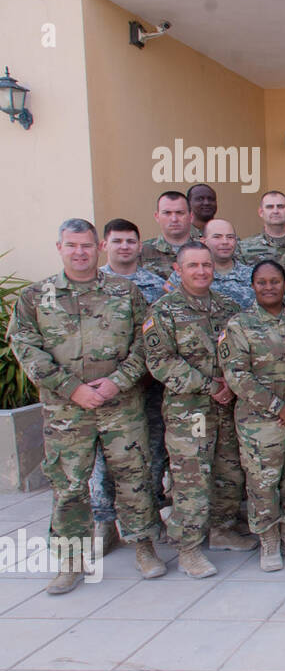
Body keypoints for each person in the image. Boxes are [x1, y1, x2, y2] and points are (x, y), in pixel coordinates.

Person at [7, 219, 165, 593]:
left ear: (98, 248)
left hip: (120, 406)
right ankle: (71, 562)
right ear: (59, 248)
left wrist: (117, 381)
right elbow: (25, 348)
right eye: (72, 245)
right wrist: (72, 388)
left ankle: (143, 547)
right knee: (69, 486)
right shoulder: (36, 296)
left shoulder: (125, 292)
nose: (80, 252)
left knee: (134, 477)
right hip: (66, 411)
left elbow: (147, 342)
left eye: (86, 245)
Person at [144, 241, 251, 578]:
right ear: (178, 269)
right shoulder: (164, 311)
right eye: (193, 265)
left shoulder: (227, 307)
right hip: (190, 412)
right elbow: (160, 362)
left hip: (227, 406)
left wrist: (231, 384)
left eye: (206, 265)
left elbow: (241, 350)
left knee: (229, 472)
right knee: (192, 478)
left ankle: (222, 529)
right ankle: (188, 549)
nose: (202, 271)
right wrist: (209, 386)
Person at [218, 260, 285, 571]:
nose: (269, 287)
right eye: (262, 282)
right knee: (263, 481)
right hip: (260, 421)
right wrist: (278, 407)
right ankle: (269, 539)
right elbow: (237, 375)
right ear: (252, 286)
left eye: (275, 281)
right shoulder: (239, 324)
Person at [89, 219, 170, 551]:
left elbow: (159, 336)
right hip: (99, 391)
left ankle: (149, 520)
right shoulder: (91, 285)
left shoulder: (156, 286)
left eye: (130, 241)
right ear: (104, 246)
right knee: (102, 460)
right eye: (117, 241)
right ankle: (104, 521)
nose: (124, 247)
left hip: (148, 387)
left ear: (140, 246)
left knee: (152, 454)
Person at [237, 191, 285, 264]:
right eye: (270, 207)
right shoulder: (244, 247)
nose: (275, 211)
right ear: (261, 212)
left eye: (280, 206)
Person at [201, 219, 255, 308]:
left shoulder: (253, 276)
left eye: (230, 237)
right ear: (204, 242)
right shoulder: (192, 276)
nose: (225, 242)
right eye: (217, 237)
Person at [140, 191, 194, 278]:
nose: (174, 219)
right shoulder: (141, 252)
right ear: (157, 216)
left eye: (180, 213)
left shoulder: (206, 249)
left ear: (191, 216)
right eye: (167, 213)